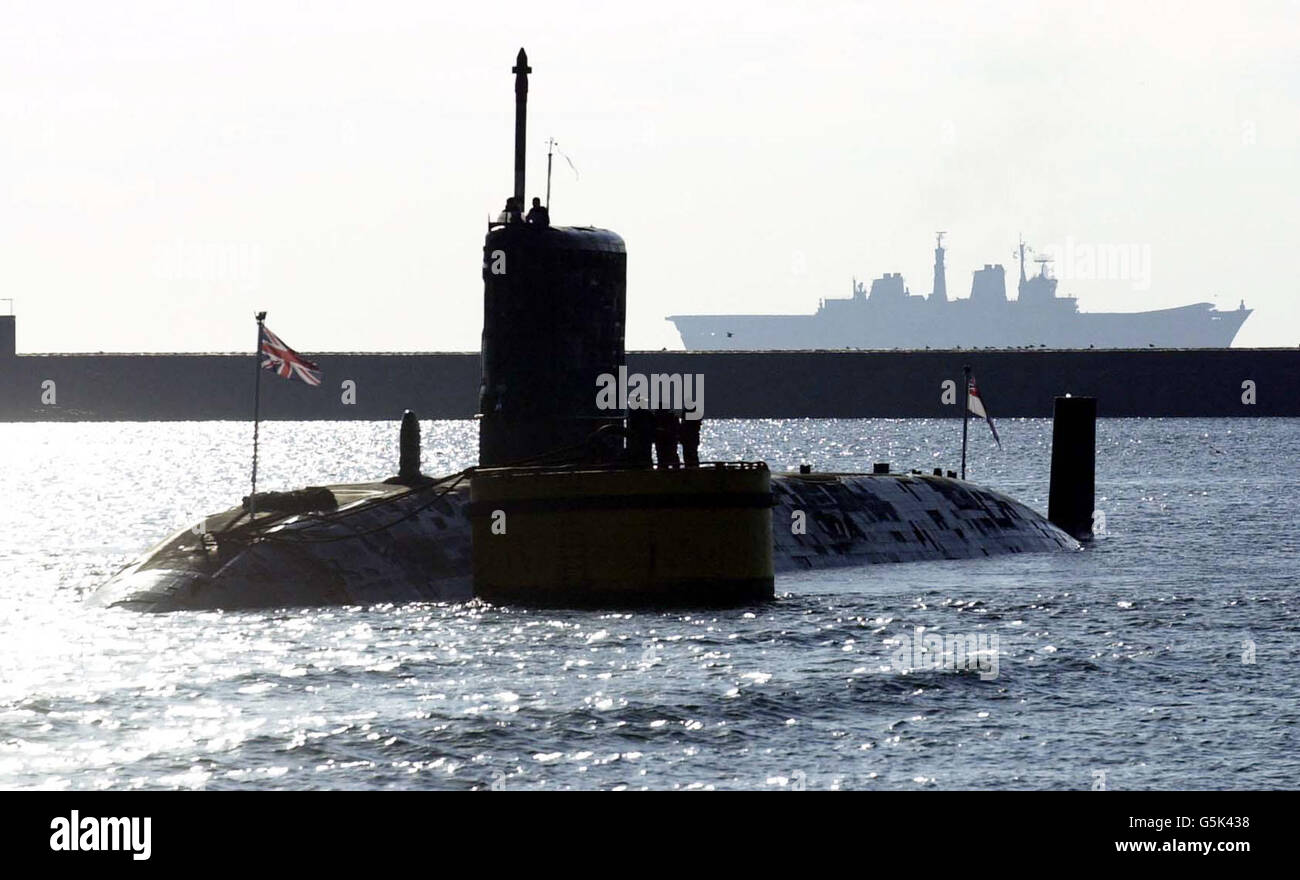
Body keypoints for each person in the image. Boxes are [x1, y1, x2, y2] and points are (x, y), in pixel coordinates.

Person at [626, 395, 654, 466]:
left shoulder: (633, 413)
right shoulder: (647, 413)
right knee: (646, 451)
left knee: (637, 451)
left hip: (637, 435)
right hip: (645, 435)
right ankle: (647, 464)